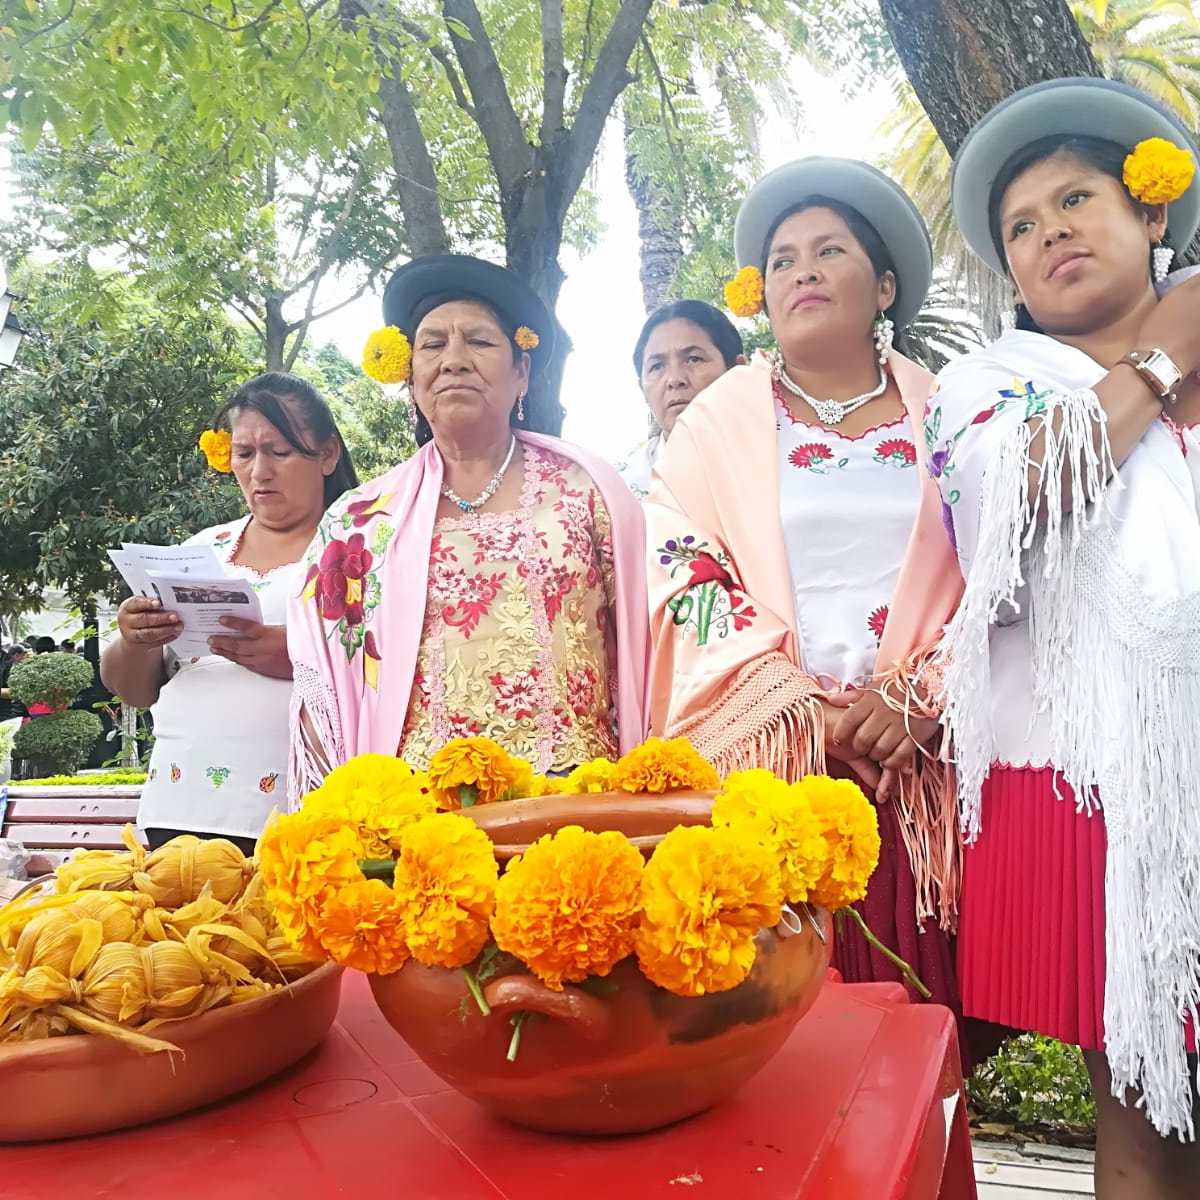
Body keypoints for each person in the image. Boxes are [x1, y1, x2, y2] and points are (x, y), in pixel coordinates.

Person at [928, 78, 1200, 1192]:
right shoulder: (989, 383)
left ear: (1151, 211)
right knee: (1147, 1103)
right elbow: (1011, 509)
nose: (1049, 234)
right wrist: (1160, 361)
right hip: (1106, 777)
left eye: (1075, 200)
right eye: (1021, 229)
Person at [646, 158, 964, 1010]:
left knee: (919, 1023)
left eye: (830, 251)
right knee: (777, 1020)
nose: (803, 272)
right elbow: (679, 570)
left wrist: (923, 696)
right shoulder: (718, 420)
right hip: (777, 760)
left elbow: (999, 573)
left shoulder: (952, 413)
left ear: (885, 287)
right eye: (783, 260)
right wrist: (800, 710)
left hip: (915, 760)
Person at [289, 254, 648, 799]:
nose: (454, 360)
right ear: (410, 377)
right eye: (433, 345)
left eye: (478, 342)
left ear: (521, 371)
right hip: (418, 813)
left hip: (575, 804)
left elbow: (652, 642)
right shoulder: (358, 522)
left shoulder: (588, 491)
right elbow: (324, 681)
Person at [101, 373, 357, 853]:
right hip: (175, 811)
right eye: (245, 453)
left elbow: (400, 673)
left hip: (293, 822)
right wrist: (136, 639)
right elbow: (134, 691)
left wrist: (301, 655)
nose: (260, 471)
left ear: (327, 454)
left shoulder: (358, 550)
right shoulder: (201, 550)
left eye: (279, 451)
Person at [618, 300, 744, 498]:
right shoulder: (622, 491)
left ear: (737, 372)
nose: (675, 379)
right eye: (657, 367)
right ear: (642, 388)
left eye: (693, 359)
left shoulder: (780, 459)